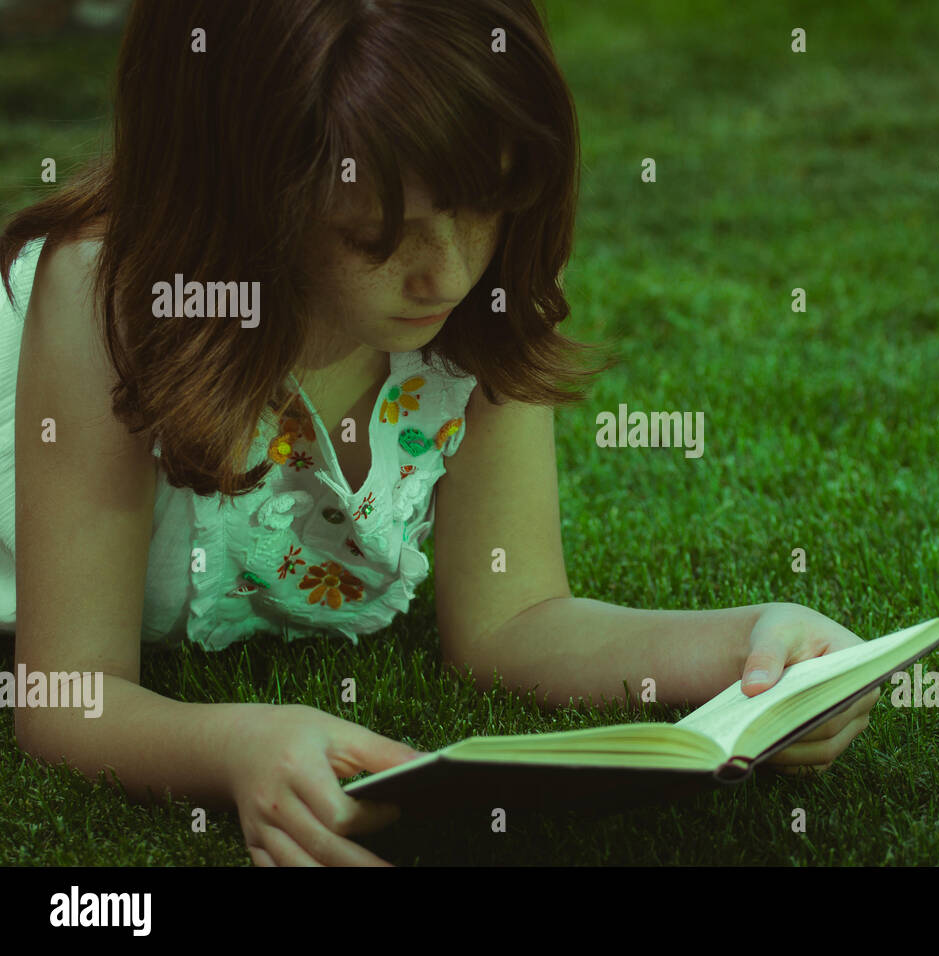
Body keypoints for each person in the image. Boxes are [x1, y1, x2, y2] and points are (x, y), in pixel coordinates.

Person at [0, 0, 880, 867]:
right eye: (375, 235)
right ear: (242, 198)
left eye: (483, 206)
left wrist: (755, 643)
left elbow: (516, 619)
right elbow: (68, 695)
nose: (448, 272)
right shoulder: (107, 300)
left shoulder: (473, 299)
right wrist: (237, 745)